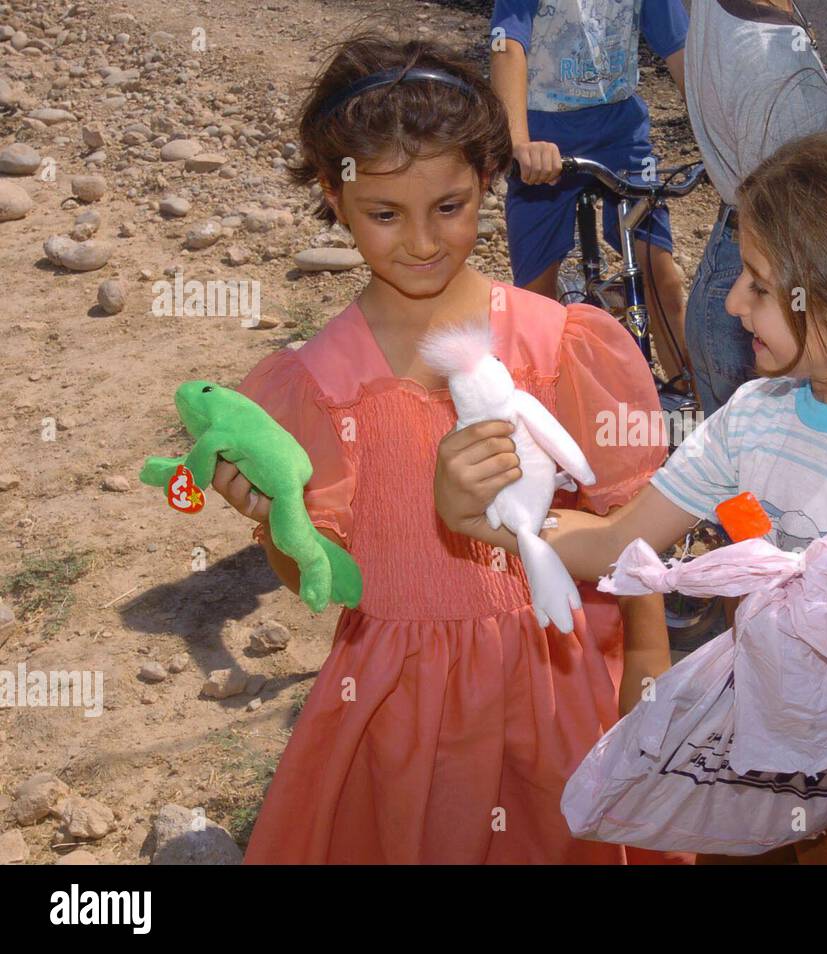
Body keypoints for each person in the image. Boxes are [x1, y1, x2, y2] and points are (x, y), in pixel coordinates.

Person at [437, 122, 827, 863]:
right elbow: (621, 543)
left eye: (759, 285)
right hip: (760, 767)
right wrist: (499, 524)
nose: (731, 305)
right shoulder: (756, 414)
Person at [213, 33, 678, 864]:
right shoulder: (314, 386)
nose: (423, 241)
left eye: (451, 207)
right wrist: (276, 529)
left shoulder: (560, 345)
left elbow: (628, 523)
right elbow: (326, 583)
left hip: (558, 684)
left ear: (488, 184)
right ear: (335, 194)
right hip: (399, 710)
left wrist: (647, 659)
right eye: (386, 214)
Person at [489, 0, 693, 389]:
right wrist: (517, 142)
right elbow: (507, 43)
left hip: (620, 131)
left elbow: (679, 47)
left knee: (660, 277)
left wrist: (712, 128)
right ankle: (542, 400)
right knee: (535, 300)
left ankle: (691, 404)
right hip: (544, 136)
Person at [683, 0, 827, 418]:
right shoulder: (779, 69)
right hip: (770, 277)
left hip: (730, 258)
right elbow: (791, 225)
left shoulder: (720, 11)